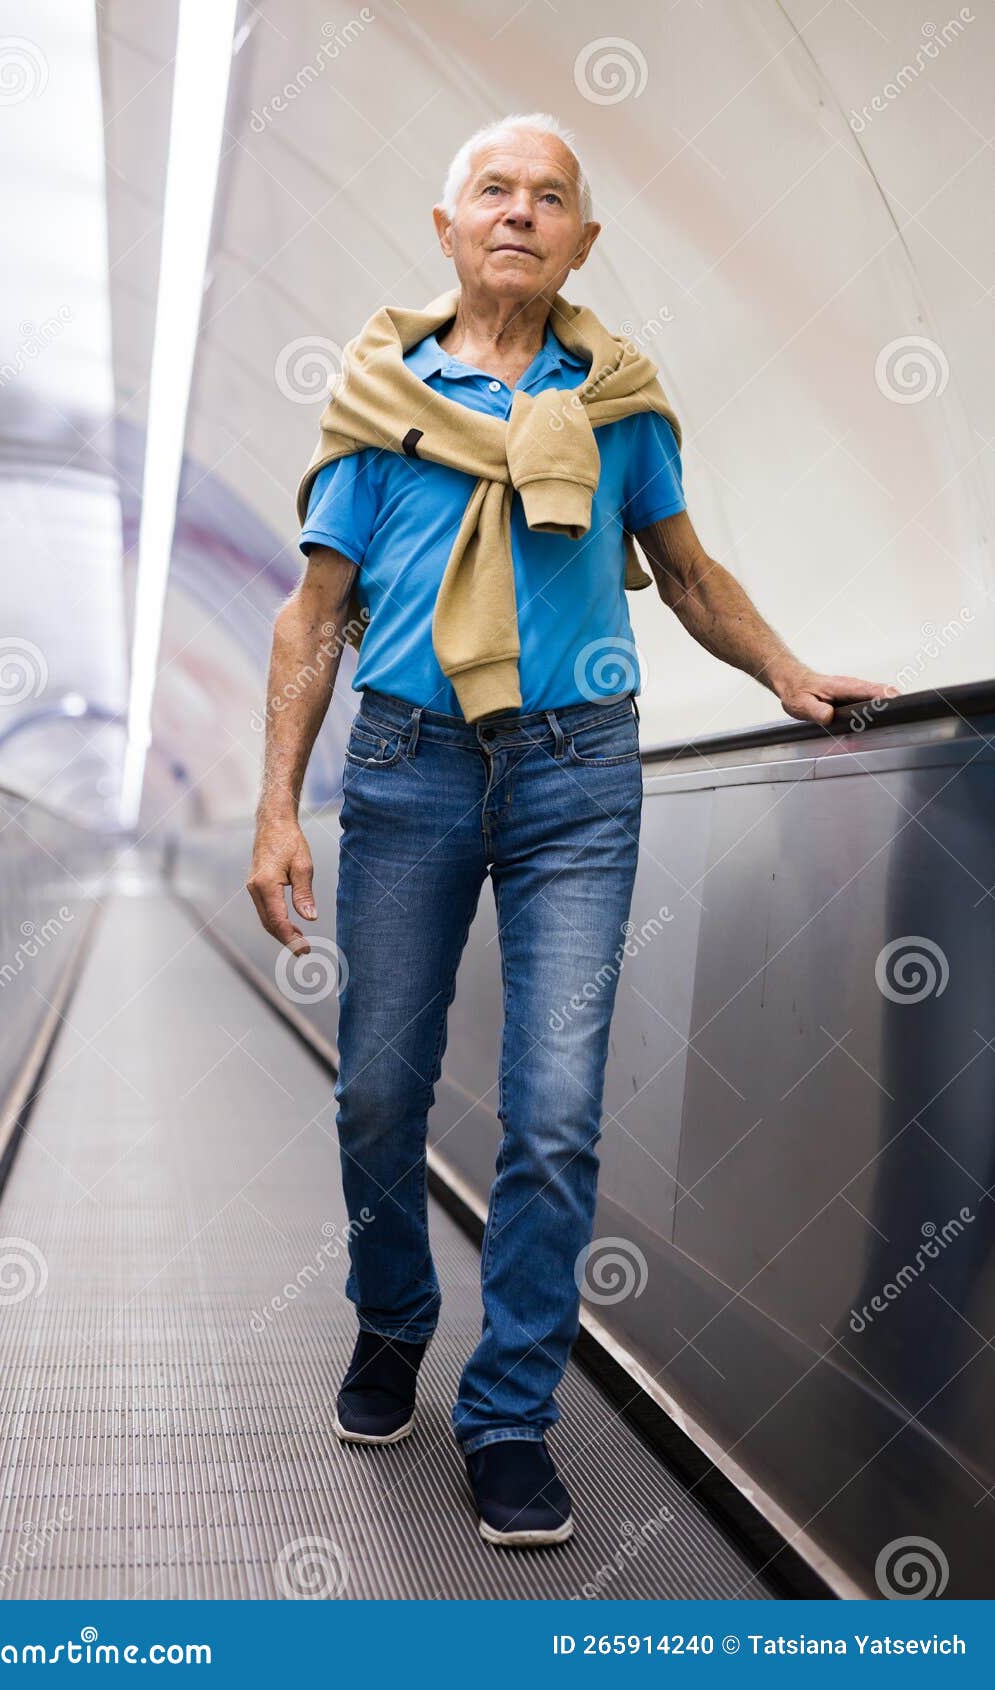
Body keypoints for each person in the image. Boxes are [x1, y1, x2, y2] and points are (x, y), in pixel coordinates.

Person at [247, 111, 898, 1549]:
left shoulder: (624, 406)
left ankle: (509, 1414)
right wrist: (278, 803)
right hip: (410, 765)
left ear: (583, 242)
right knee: (377, 1092)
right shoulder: (376, 399)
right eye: (495, 190)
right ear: (446, 227)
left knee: (551, 1111)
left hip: (577, 777)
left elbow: (689, 572)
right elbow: (314, 620)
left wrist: (789, 668)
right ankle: (392, 1318)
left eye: (552, 198)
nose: (522, 213)